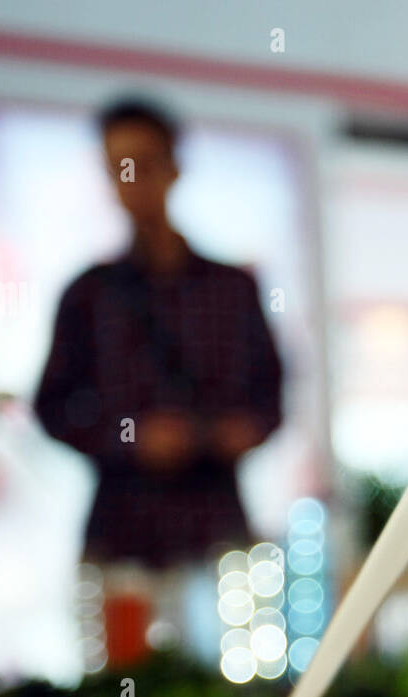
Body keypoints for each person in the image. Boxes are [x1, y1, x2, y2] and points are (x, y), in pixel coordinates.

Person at [34, 98, 284, 665]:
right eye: (117, 167)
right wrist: (131, 439)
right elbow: (52, 407)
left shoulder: (232, 289)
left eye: (143, 163)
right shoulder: (88, 294)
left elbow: (271, 398)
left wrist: (233, 432)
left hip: (218, 531)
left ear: (173, 167)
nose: (130, 182)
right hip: (122, 535)